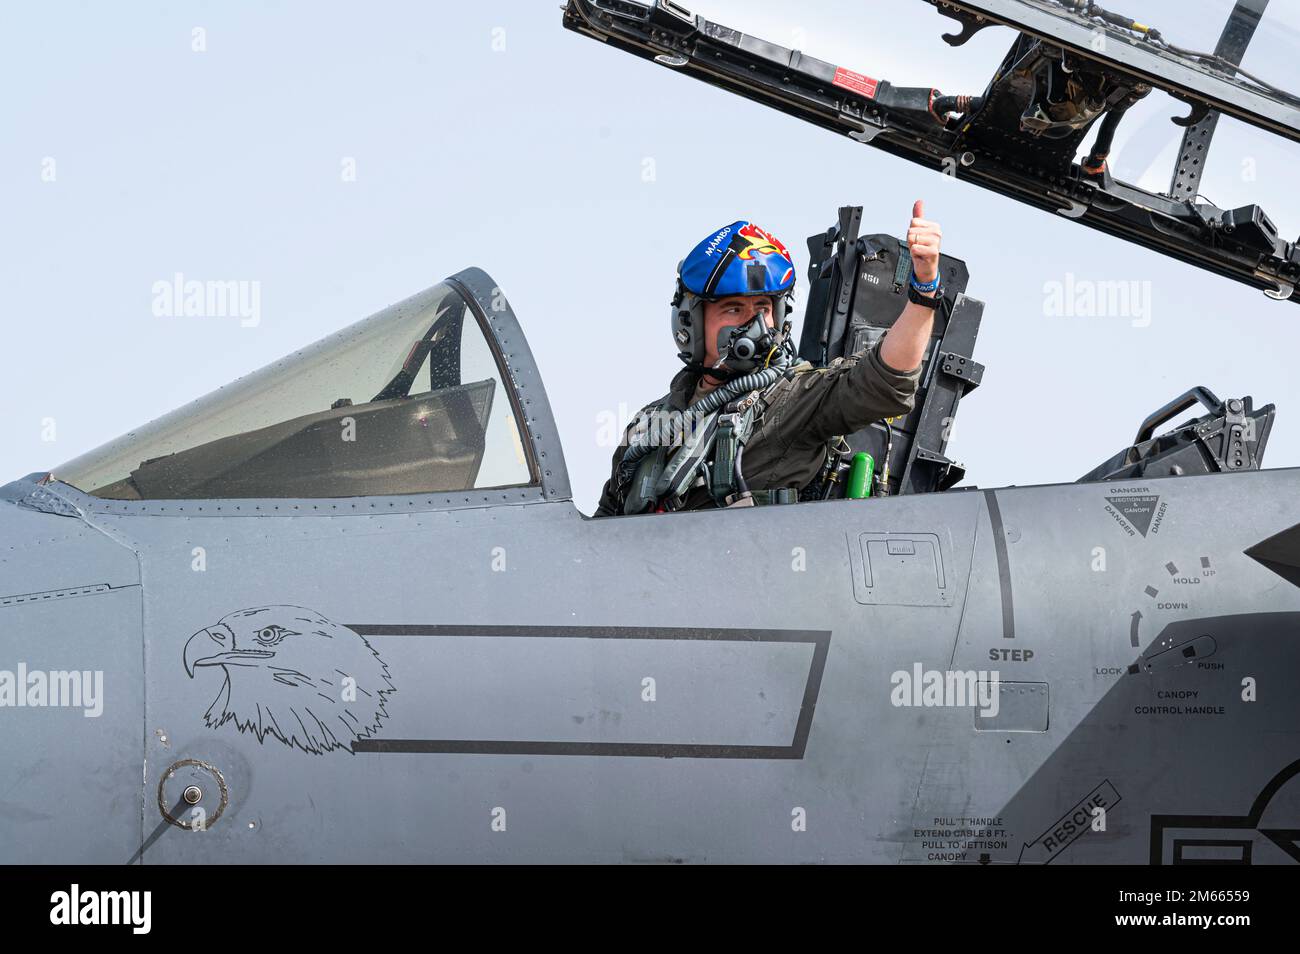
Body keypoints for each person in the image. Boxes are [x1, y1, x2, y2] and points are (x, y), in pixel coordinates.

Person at [593, 201, 944, 516]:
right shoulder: (648, 424)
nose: (754, 324)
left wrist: (923, 292)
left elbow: (885, 382)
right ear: (691, 322)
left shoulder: (794, 399)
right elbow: (601, 533)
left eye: (763, 308)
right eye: (733, 309)